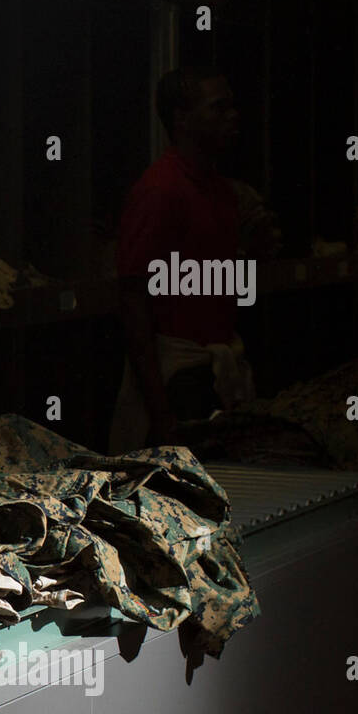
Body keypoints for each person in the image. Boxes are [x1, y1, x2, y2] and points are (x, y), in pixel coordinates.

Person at [108, 65, 257, 453]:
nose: (233, 116)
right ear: (181, 119)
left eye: (232, 107)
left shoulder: (222, 192)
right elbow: (134, 301)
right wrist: (161, 413)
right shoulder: (160, 191)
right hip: (178, 380)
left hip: (216, 372)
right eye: (218, 108)